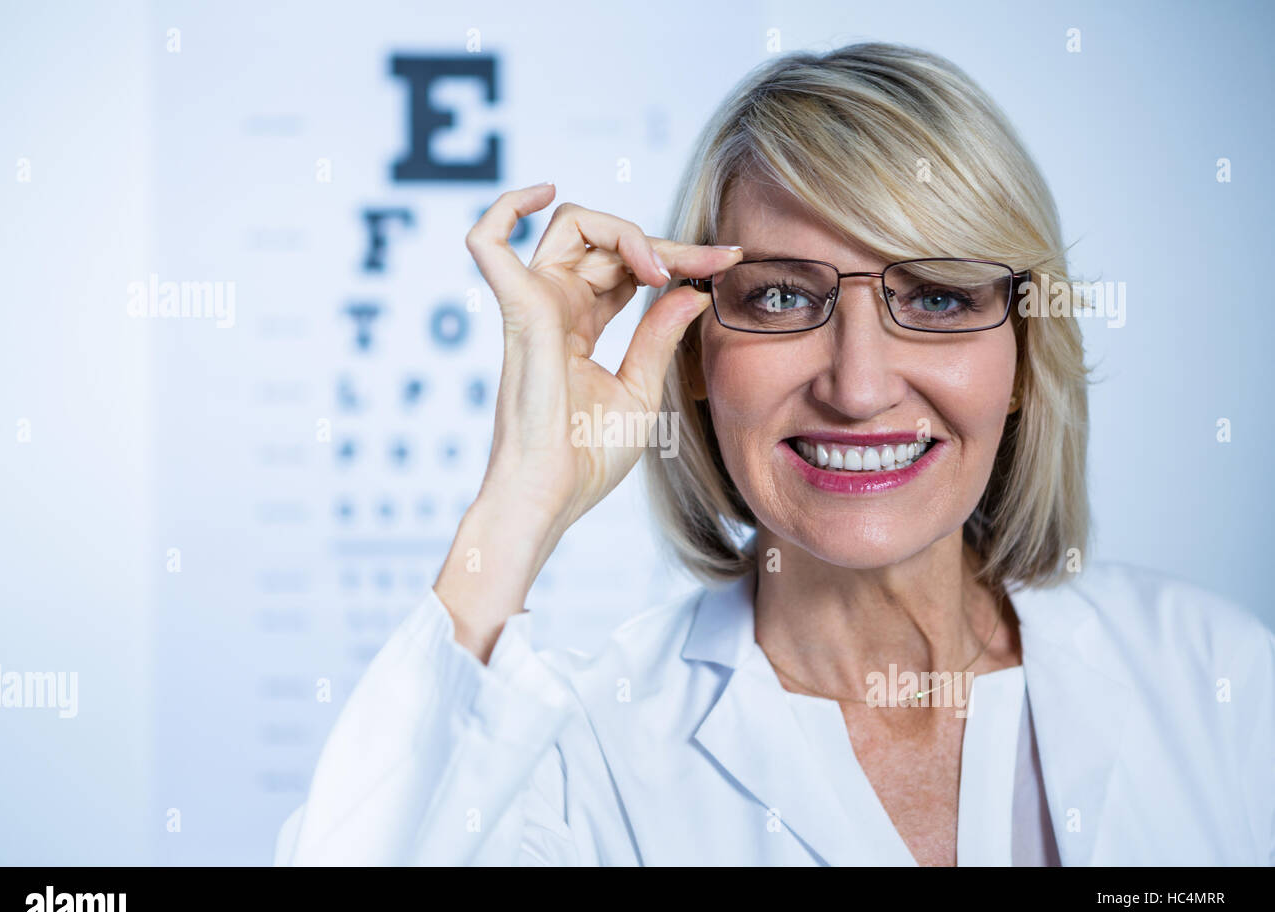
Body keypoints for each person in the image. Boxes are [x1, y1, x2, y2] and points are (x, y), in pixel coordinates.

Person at [274, 43, 1273, 866]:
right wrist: (519, 495)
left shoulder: (1212, 676)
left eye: (936, 297)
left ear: (1020, 358)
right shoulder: (582, 754)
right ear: (694, 350)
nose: (858, 384)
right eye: (784, 298)